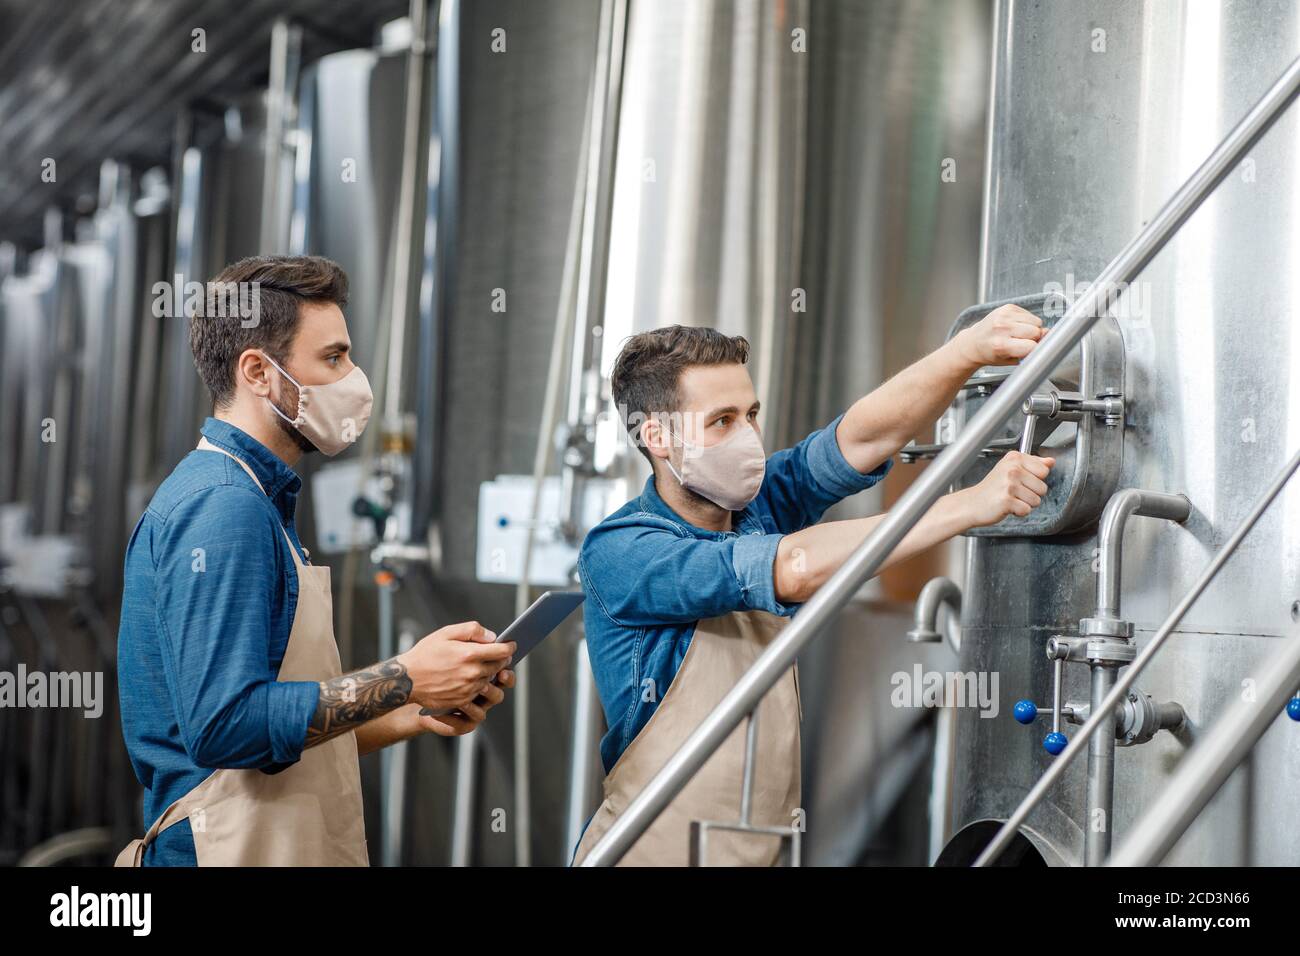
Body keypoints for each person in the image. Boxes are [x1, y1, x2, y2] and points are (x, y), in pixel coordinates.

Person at [571, 310, 1055, 865]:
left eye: (751, 414)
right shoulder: (623, 550)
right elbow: (792, 568)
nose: (749, 438)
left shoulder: (757, 509)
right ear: (655, 436)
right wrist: (965, 505)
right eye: (721, 421)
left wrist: (966, 352)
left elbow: (862, 439)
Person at [116, 255, 515, 866]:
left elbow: (274, 730)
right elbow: (225, 726)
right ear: (259, 372)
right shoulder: (224, 507)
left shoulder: (256, 497)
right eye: (333, 358)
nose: (354, 377)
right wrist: (403, 675)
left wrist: (409, 708)